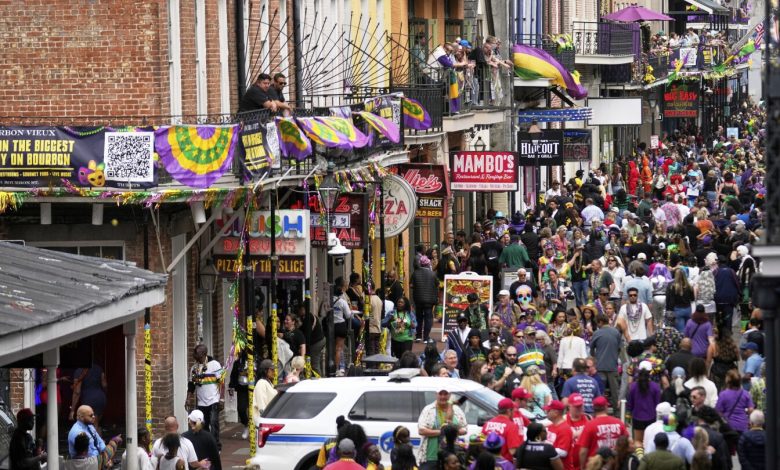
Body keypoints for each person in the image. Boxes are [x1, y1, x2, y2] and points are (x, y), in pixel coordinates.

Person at [417, 387, 467, 470]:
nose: (443, 397)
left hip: (451, 458)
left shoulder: (456, 410)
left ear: (450, 395)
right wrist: (443, 432)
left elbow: (464, 429)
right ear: (436, 395)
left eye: (445, 394)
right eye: (440, 394)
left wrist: (452, 431)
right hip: (431, 457)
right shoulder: (428, 409)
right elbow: (421, 430)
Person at [186, 344, 223, 448]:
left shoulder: (215, 364)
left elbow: (222, 382)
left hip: (214, 399)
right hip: (201, 402)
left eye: (197, 354)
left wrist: (222, 399)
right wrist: (188, 398)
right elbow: (191, 385)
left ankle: (216, 445)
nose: (195, 357)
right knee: (203, 424)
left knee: (213, 422)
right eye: (195, 354)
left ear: (204, 354)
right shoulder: (194, 368)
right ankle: (207, 444)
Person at [577, 396, 629, 463]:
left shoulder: (589, 425)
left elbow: (583, 451)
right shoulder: (619, 423)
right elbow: (628, 442)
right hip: (615, 464)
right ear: (606, 407)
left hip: (596, 465)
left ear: (593, 408)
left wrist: (582, 467)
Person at [590, 313, 622, 411]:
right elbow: (619, 348)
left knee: (600, 391)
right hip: (613, 366)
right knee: (615, 391)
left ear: (600, 322)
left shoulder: (597, 333)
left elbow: (591, 350)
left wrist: (596, 359)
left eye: (597, 323)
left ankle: (600, 412)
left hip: (600, 367)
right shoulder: (616, 332)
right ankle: (617, 414)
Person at [626, 364, 662, 444]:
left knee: (638, 441)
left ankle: (639, 456)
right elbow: (658, 405)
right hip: (651, 418)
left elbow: (630, 404)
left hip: (637, 418)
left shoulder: (633, 386)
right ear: (650, 372)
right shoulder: (655, 387)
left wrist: (628, 416)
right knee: (650, 442)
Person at [481, 398, 522, 463]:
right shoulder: (511, 426)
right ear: (509, 411)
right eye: (513, 410)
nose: (514, 412)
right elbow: (513, 451)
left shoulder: (487, 424)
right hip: (504, 465)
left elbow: (481, 444)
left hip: (487, 463)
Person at [69, 364, 108, 430]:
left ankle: (93, 439)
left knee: (91, 426)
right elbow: (104, 385)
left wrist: (72, 410)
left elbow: (77, 392)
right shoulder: (99, 368)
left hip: (89, 399)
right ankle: (98, 439)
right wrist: (104, 395)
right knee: (96, 423)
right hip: (101, 398)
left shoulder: (79, 371)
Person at [715, 370, 754, 434]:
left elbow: (719, 412)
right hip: (743, 425)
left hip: (729, 426)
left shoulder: (723, 394)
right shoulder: (745, 393)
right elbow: (751, 409)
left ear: (728, 381)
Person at [411, 256, 439, 342]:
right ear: (428, 264)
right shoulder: (432, 274)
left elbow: (411, 285)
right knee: (428, 318)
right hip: (429, 300)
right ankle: (426, 337)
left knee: (419, 317)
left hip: (418, 299)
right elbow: (437, 284)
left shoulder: (415, 273)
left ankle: (418, 336)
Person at [544, 400, 574, 470]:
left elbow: (563, 452)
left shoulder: (565, 429)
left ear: (556, 413)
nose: (546, 413)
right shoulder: (551, 426)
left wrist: (543, 448)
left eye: (548, 411)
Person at [252, 359, 277, 426]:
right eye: (272, 370)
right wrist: (265, 422)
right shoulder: (261, 383)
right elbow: (261, 406)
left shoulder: (268, 382)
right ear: (265, 370)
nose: (274, 372)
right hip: (265, 422)